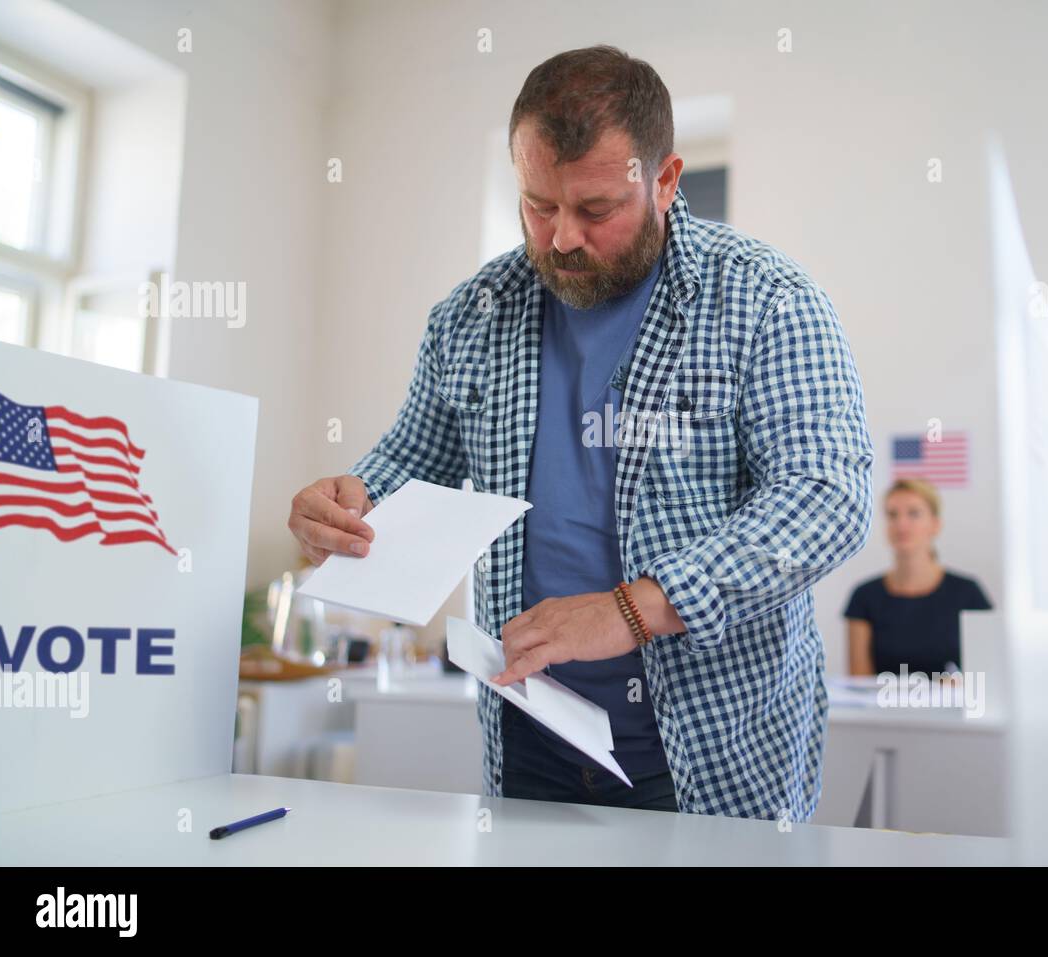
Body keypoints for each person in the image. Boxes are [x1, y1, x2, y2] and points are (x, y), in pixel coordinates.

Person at [286, 45, 874, 821]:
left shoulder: (767, 300)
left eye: (596, 210)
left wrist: (634, 608)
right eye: (538, 204)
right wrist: (351, 496)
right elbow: (410, 460)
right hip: (532, 730)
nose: (561, 238)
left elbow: (827, 497)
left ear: (665, 180)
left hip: (713, 743)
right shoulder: (472, 314)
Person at [844, 478, 991, 677]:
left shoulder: (968, 594)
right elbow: (859, 682)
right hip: (885, 707)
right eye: (892, 515)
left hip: (951, 707)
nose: (901, 524)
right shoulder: (865, 596)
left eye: (914, 514)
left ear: (935, 524)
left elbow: (986, 674)